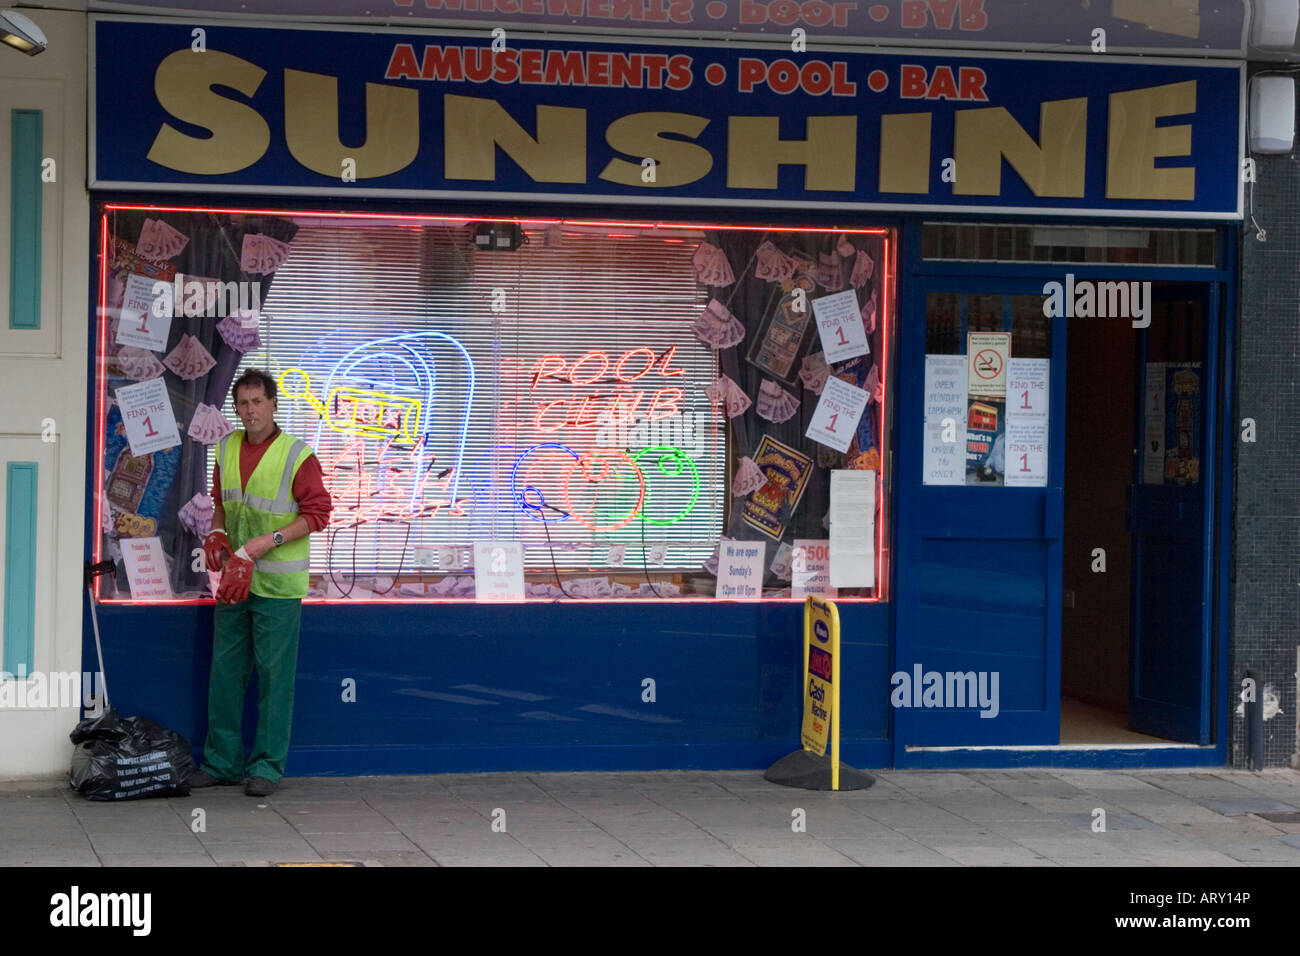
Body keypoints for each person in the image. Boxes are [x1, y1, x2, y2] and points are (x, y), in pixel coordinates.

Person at [191, 368, 332, 797]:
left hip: (277, 590)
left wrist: (265, 543)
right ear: (236, 408)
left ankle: (267, 768)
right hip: (235, 582)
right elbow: (220, 503)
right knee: (226, 675)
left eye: (258, 402)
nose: (251, 410)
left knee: (274, 679)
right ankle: (221, 763)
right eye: (244, 403)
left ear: (273, 405)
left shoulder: (297, 455)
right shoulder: (226, 448)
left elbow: (318, 514)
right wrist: (216, 532)